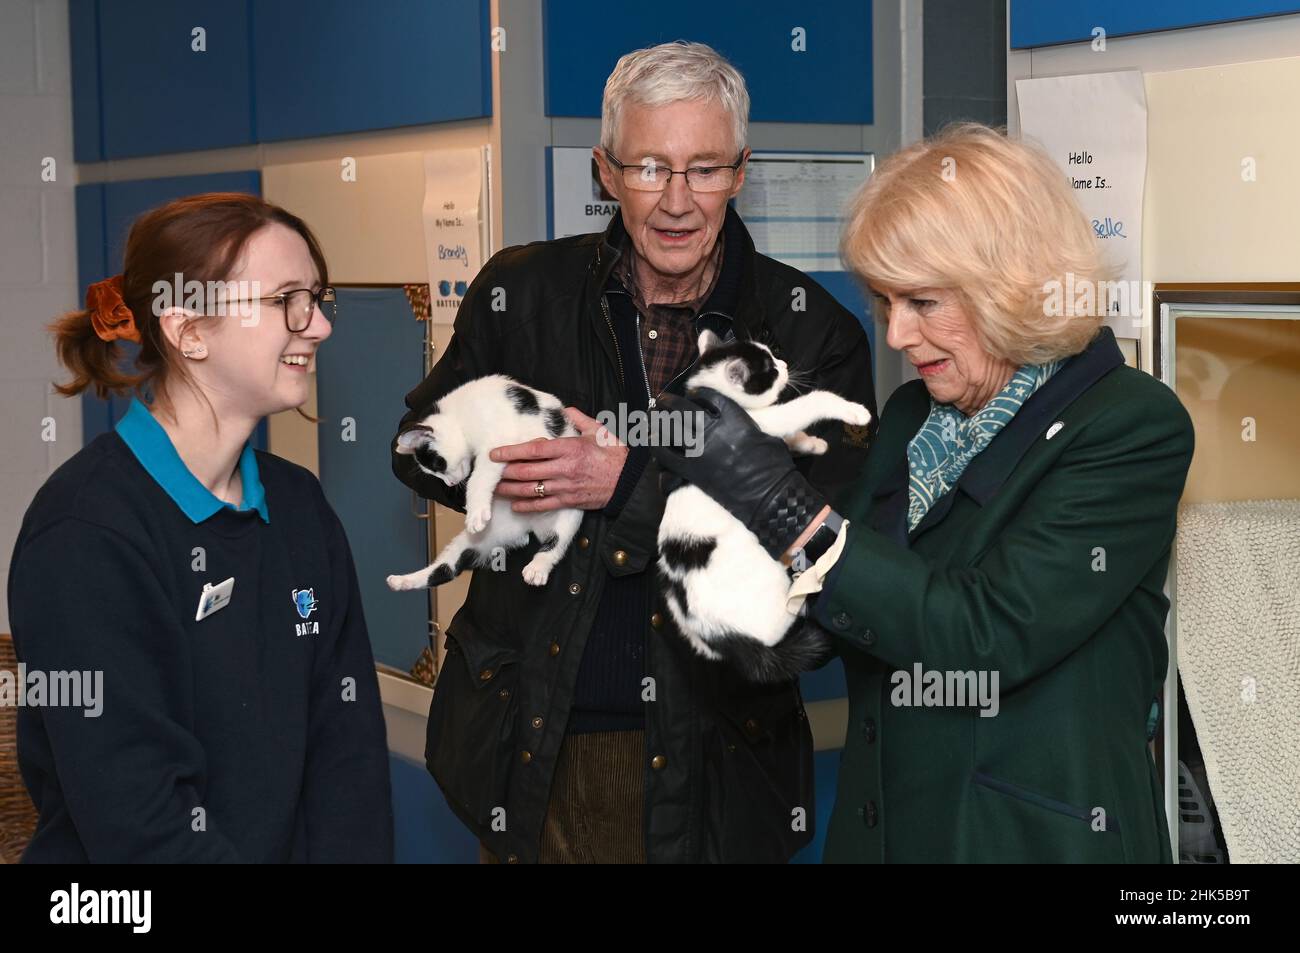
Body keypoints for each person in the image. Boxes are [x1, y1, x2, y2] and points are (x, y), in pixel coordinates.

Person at [654, 124, 1194, 863]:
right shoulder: (916, 415)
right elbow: (859, 607)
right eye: (884, 301)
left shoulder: (1128, 424)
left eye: (924, 302)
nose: (899, 334)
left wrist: (783, 507)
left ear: (1011, 283)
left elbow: (986, 635)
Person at [392, 41, 876, 863]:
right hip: (523, 743)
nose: (677, 200)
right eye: (650, 167)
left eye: (705, 169)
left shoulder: (808, 330)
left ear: (741, 171)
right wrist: (525, 467)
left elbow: (823, 559)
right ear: (606, 172)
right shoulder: (521, 292)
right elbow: (414, 448)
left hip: (719, 762)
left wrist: (626, 486)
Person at [9, 192, 393, 862]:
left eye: (317, 296)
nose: (320, 325)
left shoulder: (299, 506)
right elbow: (139, 821)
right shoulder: (85, 533)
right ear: (189, 331)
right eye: (287, 300)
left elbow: (349, 763)